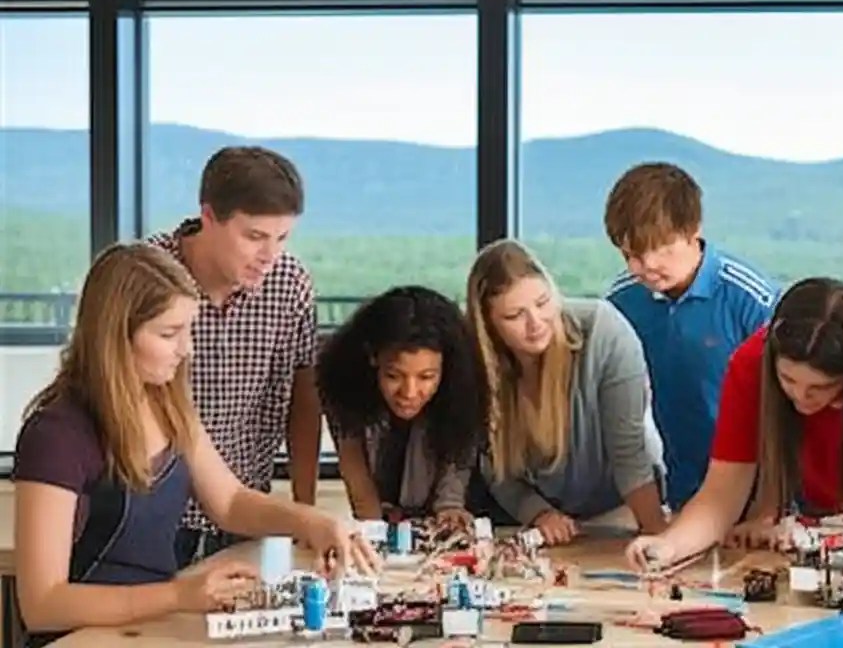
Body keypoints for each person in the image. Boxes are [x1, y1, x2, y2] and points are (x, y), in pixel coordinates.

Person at [10, 243, 379, 648]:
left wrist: (315, 522)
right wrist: (179, 595)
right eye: (169, 333)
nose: (187, 348)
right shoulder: (55, 435)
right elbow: (43, 604)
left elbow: (230, 502)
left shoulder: (168, 404)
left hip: (152, 630)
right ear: (114, 336)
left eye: (190, 330)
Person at [625, 277, 843, 572]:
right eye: (787, 379)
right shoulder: (750, 364)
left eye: (821, 388)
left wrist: (821, 536)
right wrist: (669, 545)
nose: (801, 398)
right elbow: (720, 497)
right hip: (805, 535)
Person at [145, 146, 323, 569]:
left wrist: (304, 511)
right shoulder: (147, 274)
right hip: (152, 510)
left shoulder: (290, 284)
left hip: (246, 511)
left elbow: (304, 400)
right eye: (255, 237)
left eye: (282, 238)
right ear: (208, 217)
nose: (270, 256)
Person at [464, 238, 668, 545]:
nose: (536, 323)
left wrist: (657, 537)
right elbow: (498, 471)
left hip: (625, 507)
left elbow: (630, 451)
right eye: (514, 316)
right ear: (489, 326)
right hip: (547, 522)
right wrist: (539, 513)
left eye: (543, 303)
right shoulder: (476, 363)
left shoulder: (603, 330)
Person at [603, 161, 779, 510]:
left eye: (663, 248)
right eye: (632, 255)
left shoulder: (750, 298)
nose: (649, 265)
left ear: (694, 230)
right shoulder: (621, 302)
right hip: (681, 488)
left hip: (760, 490)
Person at [317, 285, 488, 528]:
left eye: (426, 377)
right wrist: (373, 530)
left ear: (447, 367)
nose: (409, 393)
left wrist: (450, 505)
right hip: (386, 502)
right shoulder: (343, 380)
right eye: (394, 376)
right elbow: (354, 468)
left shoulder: (465, 381)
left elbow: (460, 449)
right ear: (372, 357)